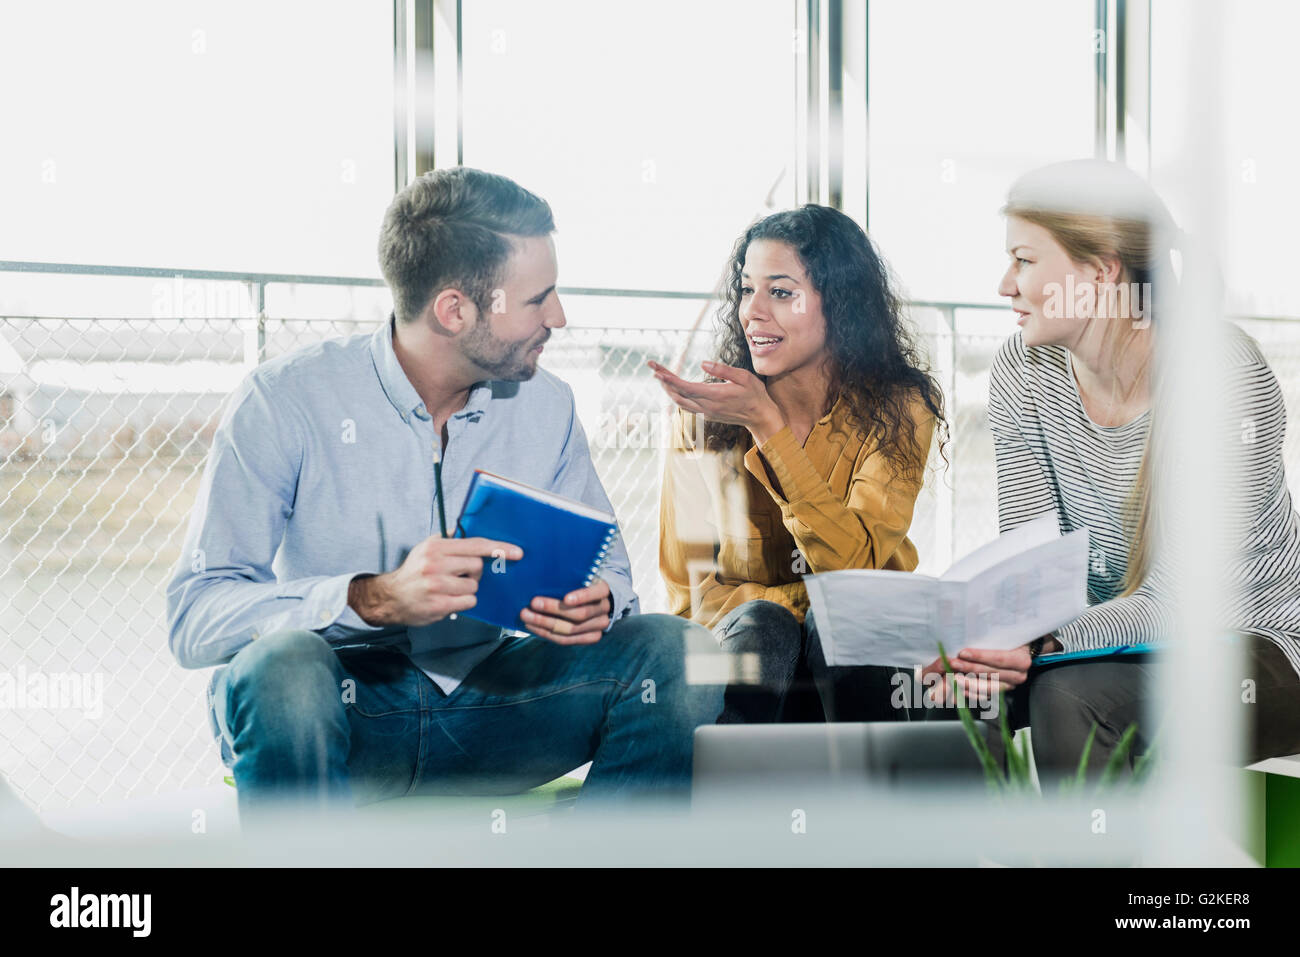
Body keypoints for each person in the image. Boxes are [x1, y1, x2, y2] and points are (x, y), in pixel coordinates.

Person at [165, 167, 724, 826]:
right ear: (455, 310)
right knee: (280, 666)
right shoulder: (284, 400)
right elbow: (195, 616)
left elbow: (611, 571)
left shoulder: (546, 406)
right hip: (344, 714)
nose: (560, 317)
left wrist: (597, 600)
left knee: (679, 655)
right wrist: (368, 596)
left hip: (495, 709)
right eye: (537, 298)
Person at [982, 158, 1300, 781]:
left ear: (1100, 272)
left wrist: (1047, 645)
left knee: (1069, 698)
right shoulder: (1023, 371)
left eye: (1023, 260)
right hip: (1118, 642)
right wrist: (993, 638)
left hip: (1257, 649)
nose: (1004, 285)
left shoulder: (1223, 377)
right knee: (955, 686)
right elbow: (1032, 566)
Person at [652, 204, 946, 724]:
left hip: (862, 665)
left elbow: (853, 570)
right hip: (757, 661)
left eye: (781, 292)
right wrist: (795, 611)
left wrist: (770, 431)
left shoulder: (900, 408)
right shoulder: (703, 421)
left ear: (840, 304)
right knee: (767, 627)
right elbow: (691, 596)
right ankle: (738, 797)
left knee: (842, 621)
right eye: (746, 289)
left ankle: (872, 799)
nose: (752, 312)